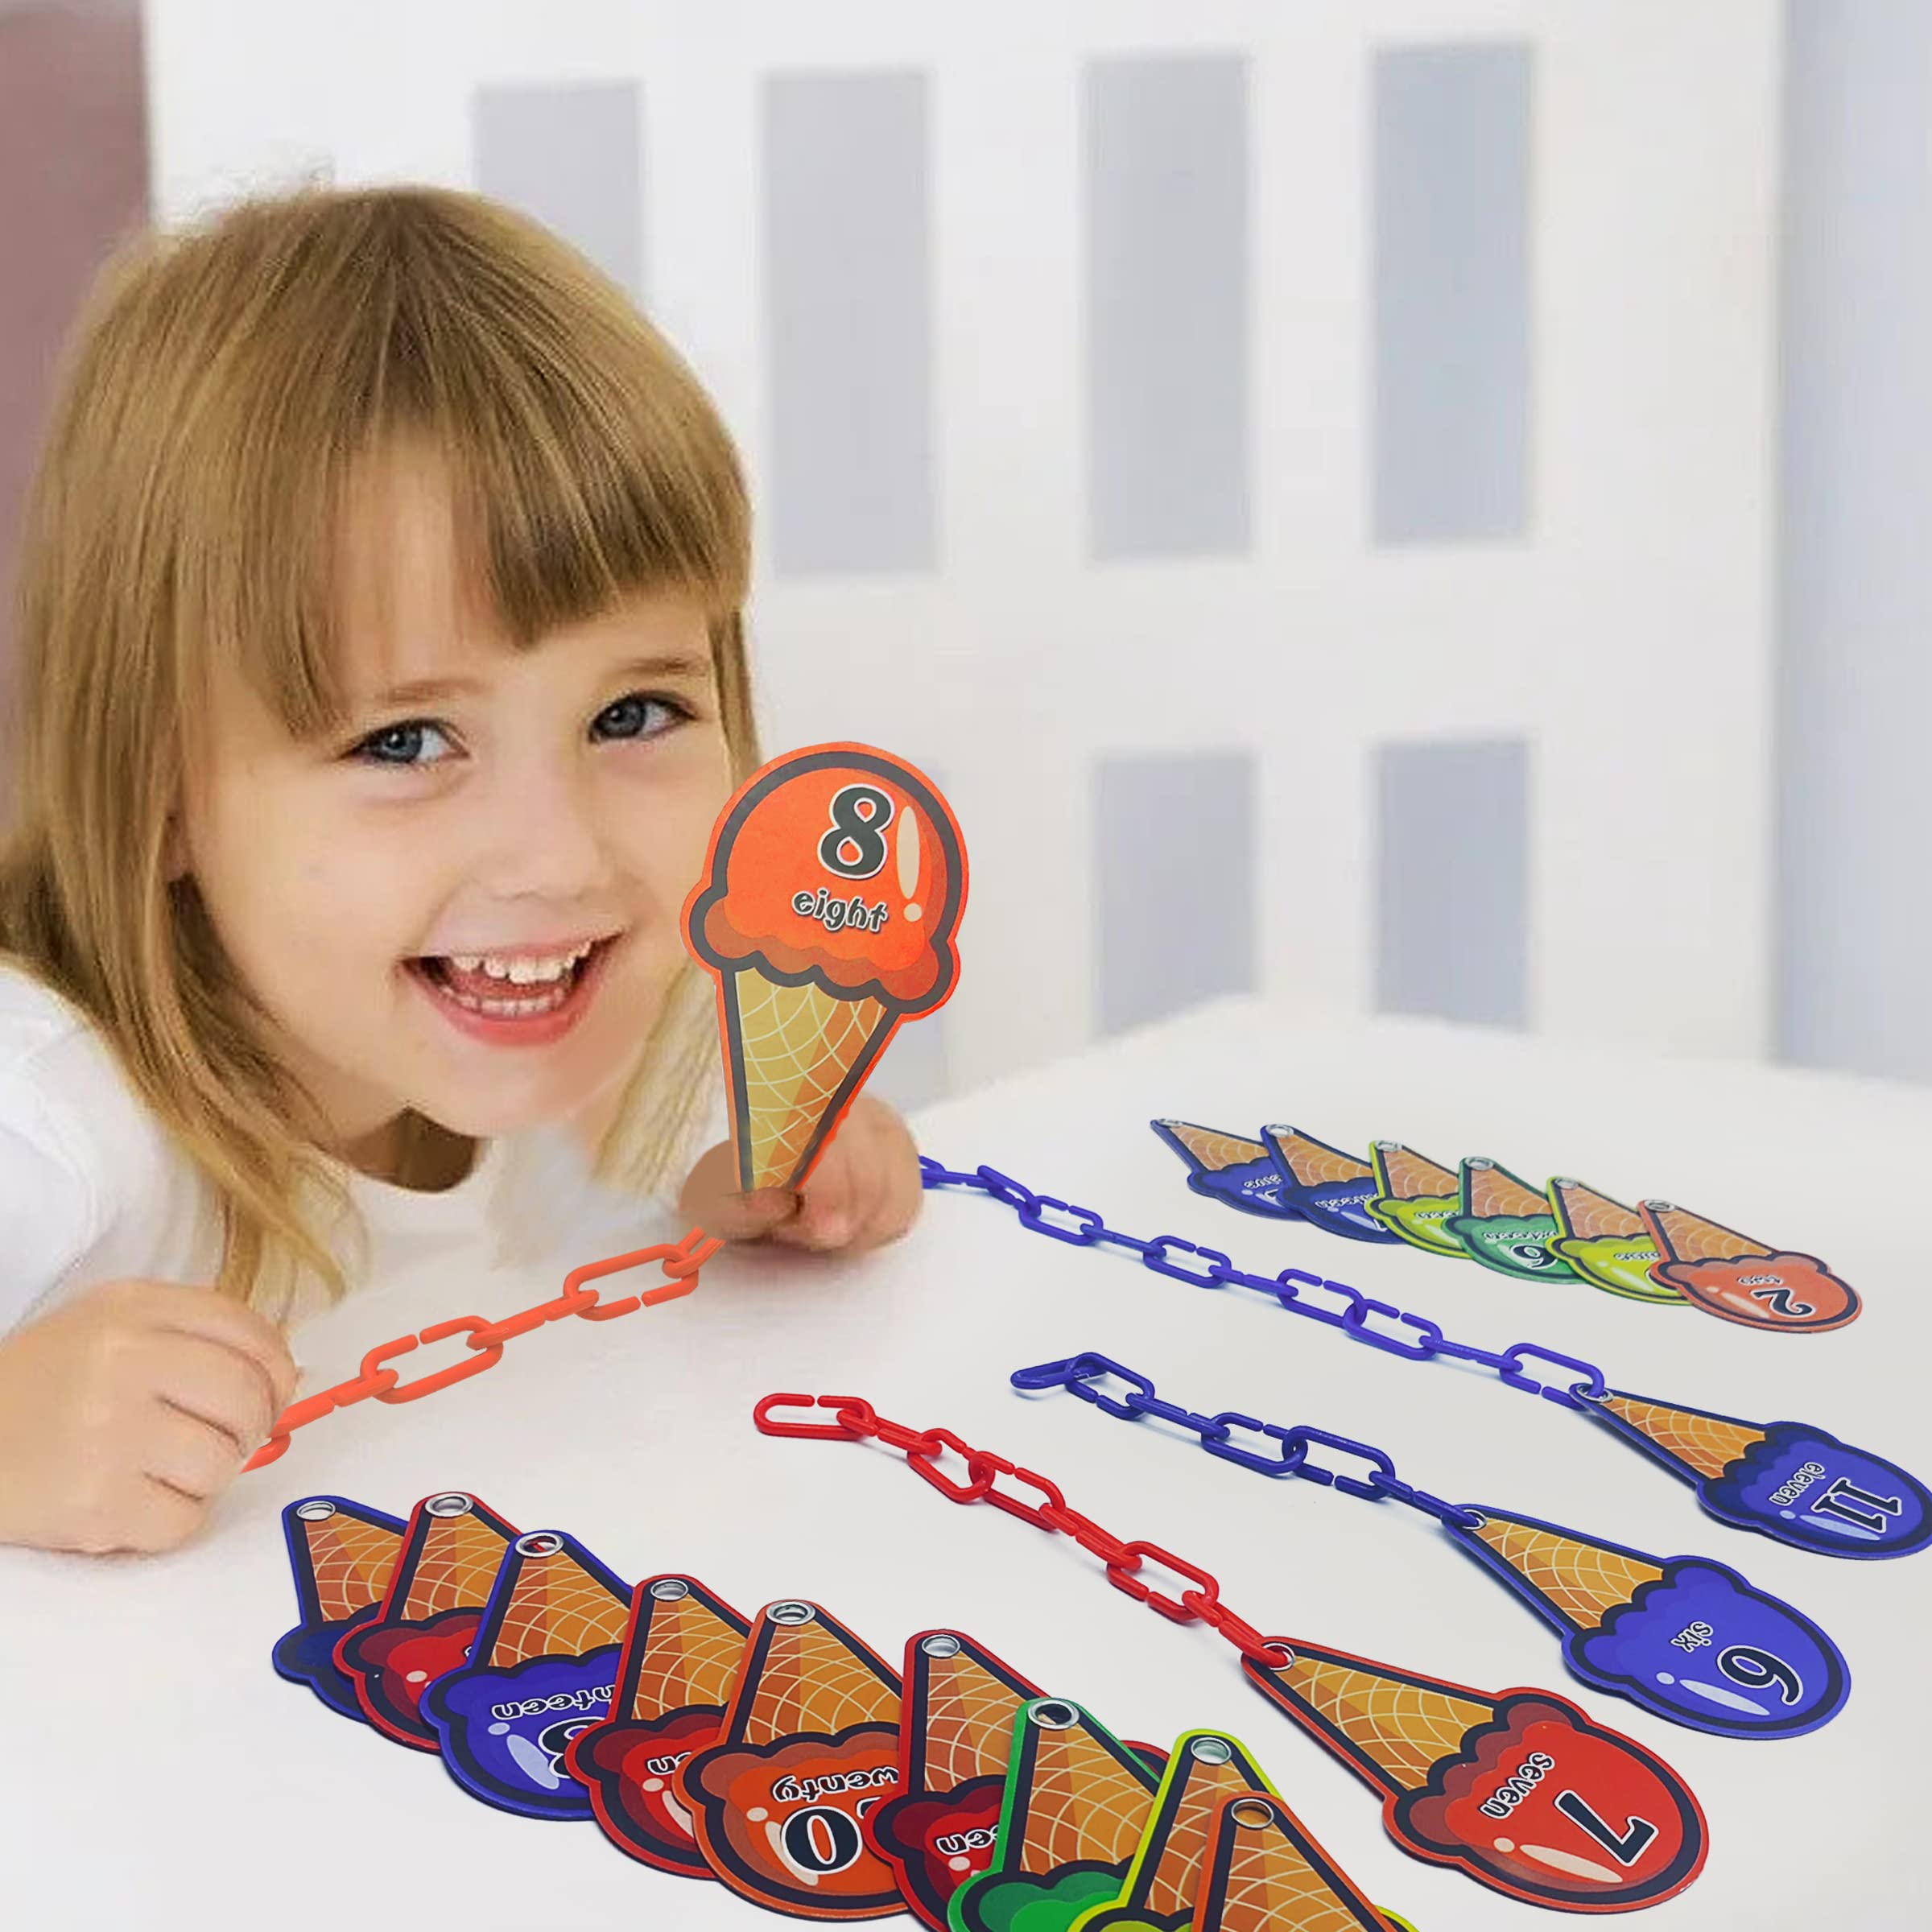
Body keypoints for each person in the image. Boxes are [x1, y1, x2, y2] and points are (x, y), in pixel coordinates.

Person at [0, 185, 923, 1558]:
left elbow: (620, 1133)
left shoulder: (520, 1007)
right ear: (162, 796)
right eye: (408, 741)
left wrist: (739, 1156)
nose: (559, 858)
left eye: (632, 718)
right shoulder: (51, 1127)